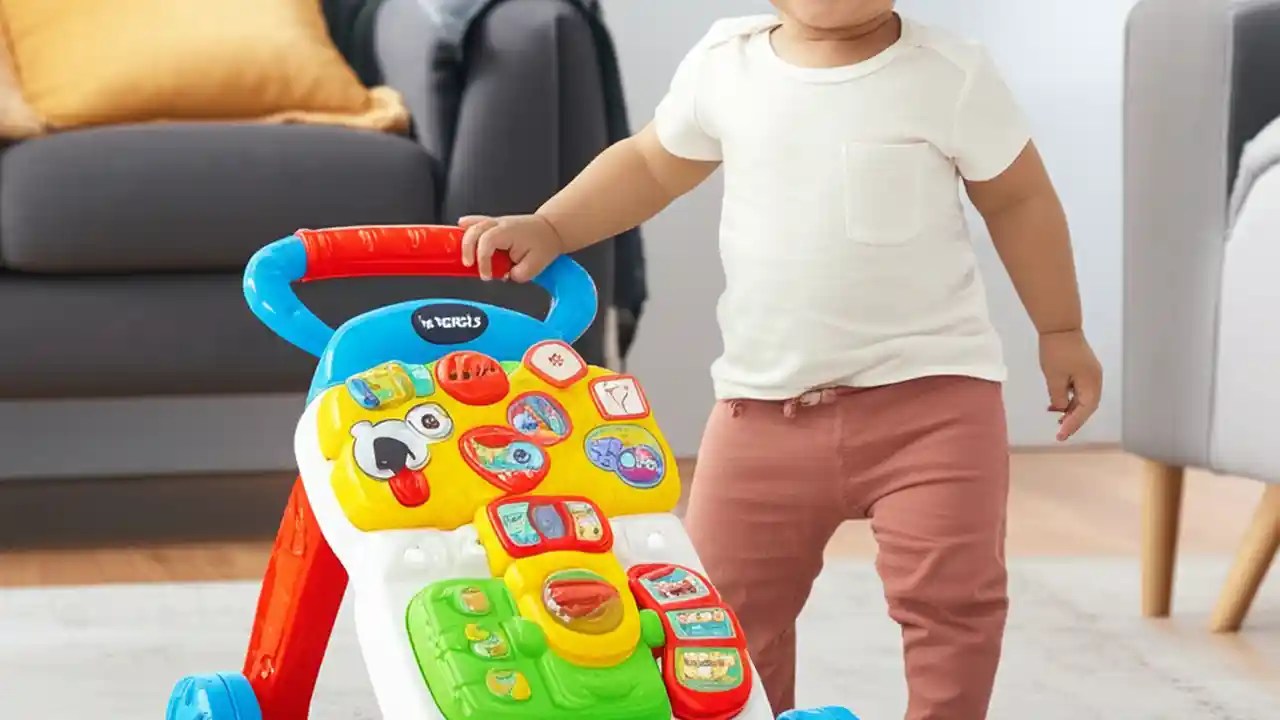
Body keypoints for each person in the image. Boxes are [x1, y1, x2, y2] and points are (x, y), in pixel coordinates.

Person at [457, 2, 1103, 718]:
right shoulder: (726, 65)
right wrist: (552, 225)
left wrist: (1061, 329)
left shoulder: (949, 74)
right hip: (762, 413)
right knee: (719, 614)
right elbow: (647, 166)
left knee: (954, 601)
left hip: (934, 406)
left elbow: (1019, 200)